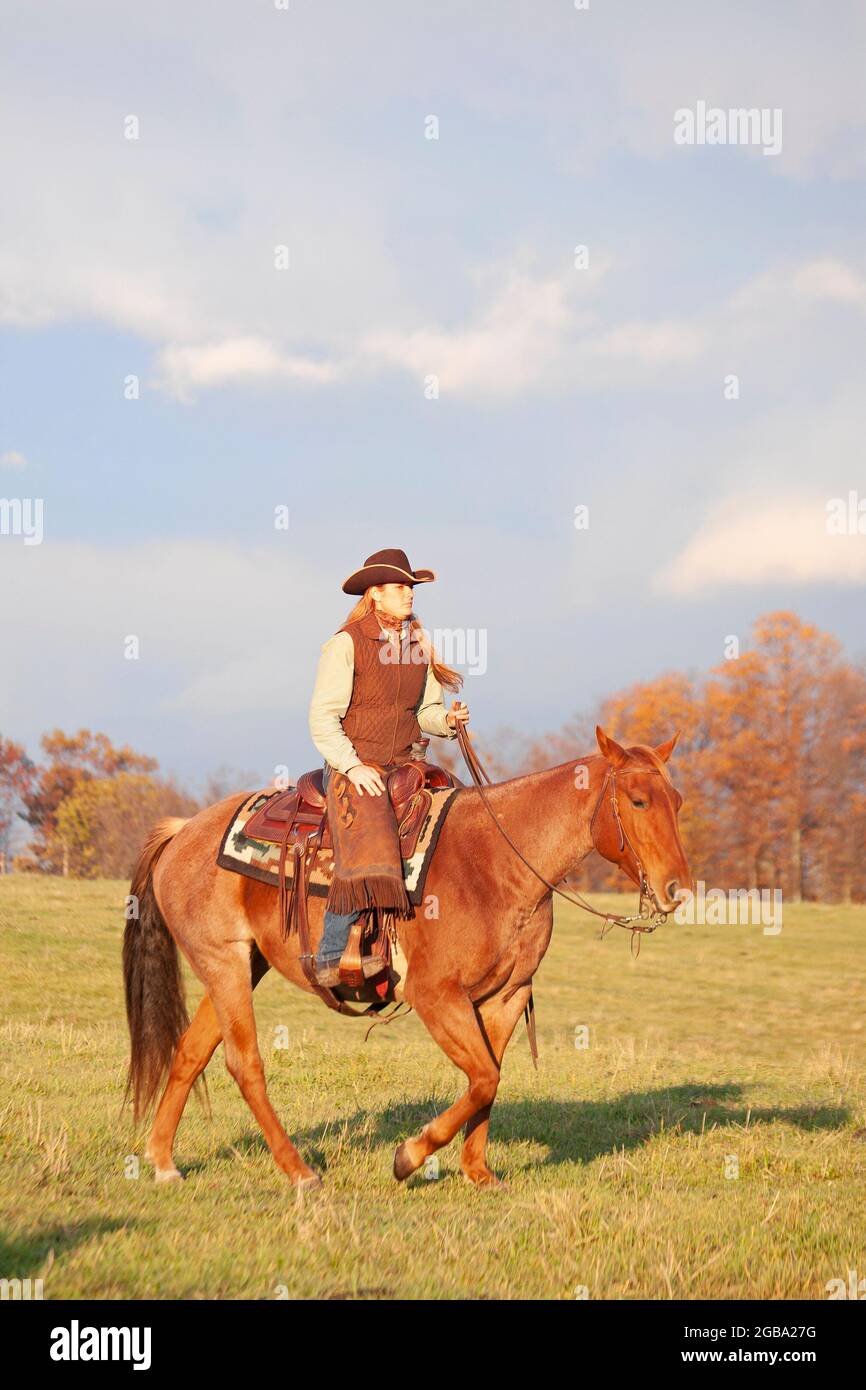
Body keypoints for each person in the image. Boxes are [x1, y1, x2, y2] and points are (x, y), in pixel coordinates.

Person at [308, 547, 469, 985]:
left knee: (462, 812)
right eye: (400, 587)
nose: (409, 594)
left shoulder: (419, 644)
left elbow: (425, 712)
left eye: (411, 588)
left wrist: (448, 722)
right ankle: (331, 954)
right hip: (354, 764)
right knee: (371, 834)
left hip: (406, 763)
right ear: (375, 594)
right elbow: (322, 718)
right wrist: (352, 766)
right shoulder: (346, 644)